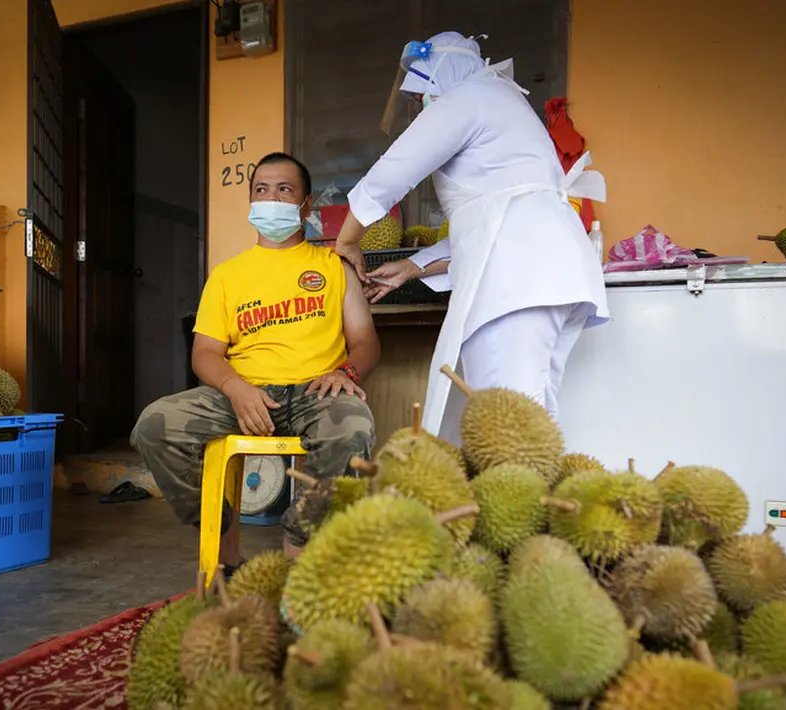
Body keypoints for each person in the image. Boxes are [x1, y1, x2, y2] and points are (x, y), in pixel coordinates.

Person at [331, 31, 609, 442]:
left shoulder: (469, 95)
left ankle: (518, 504)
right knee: (534, 422)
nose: (424, 106)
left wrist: (348, 240)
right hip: (550, 272)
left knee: (505, 427)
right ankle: (543, 503)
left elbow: (393, 172)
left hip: (519, 280)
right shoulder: (504, 101)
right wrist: (412, 266)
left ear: (443, 76)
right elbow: (492, 220)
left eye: (424, 94)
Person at [131, 152, 380, 571]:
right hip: (242, 392)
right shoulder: (227, 275)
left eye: (284, 189)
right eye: (261, 190)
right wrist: (236, 388)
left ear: (306, 204)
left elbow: (365, 341)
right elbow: (205, 353)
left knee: (354, 429)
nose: (271, 198)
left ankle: (299, 541)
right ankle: (222, 534)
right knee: (155, 426)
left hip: (316, 392)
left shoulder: (334, 267)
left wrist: (346, 372)